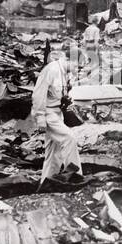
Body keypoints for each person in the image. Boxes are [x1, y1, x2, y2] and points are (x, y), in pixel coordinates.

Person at [31, 44, 82, 187]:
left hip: (57, 113)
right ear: (68, 59)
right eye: (77, 66)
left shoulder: (65, 72)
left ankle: (46, 184)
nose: (77, 69)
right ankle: (77, 178)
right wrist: (40, 117)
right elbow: (38, 94)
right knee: (69, 139)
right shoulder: (51, 70)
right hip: (47, 113)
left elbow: (59, 93)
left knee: (54, 152)